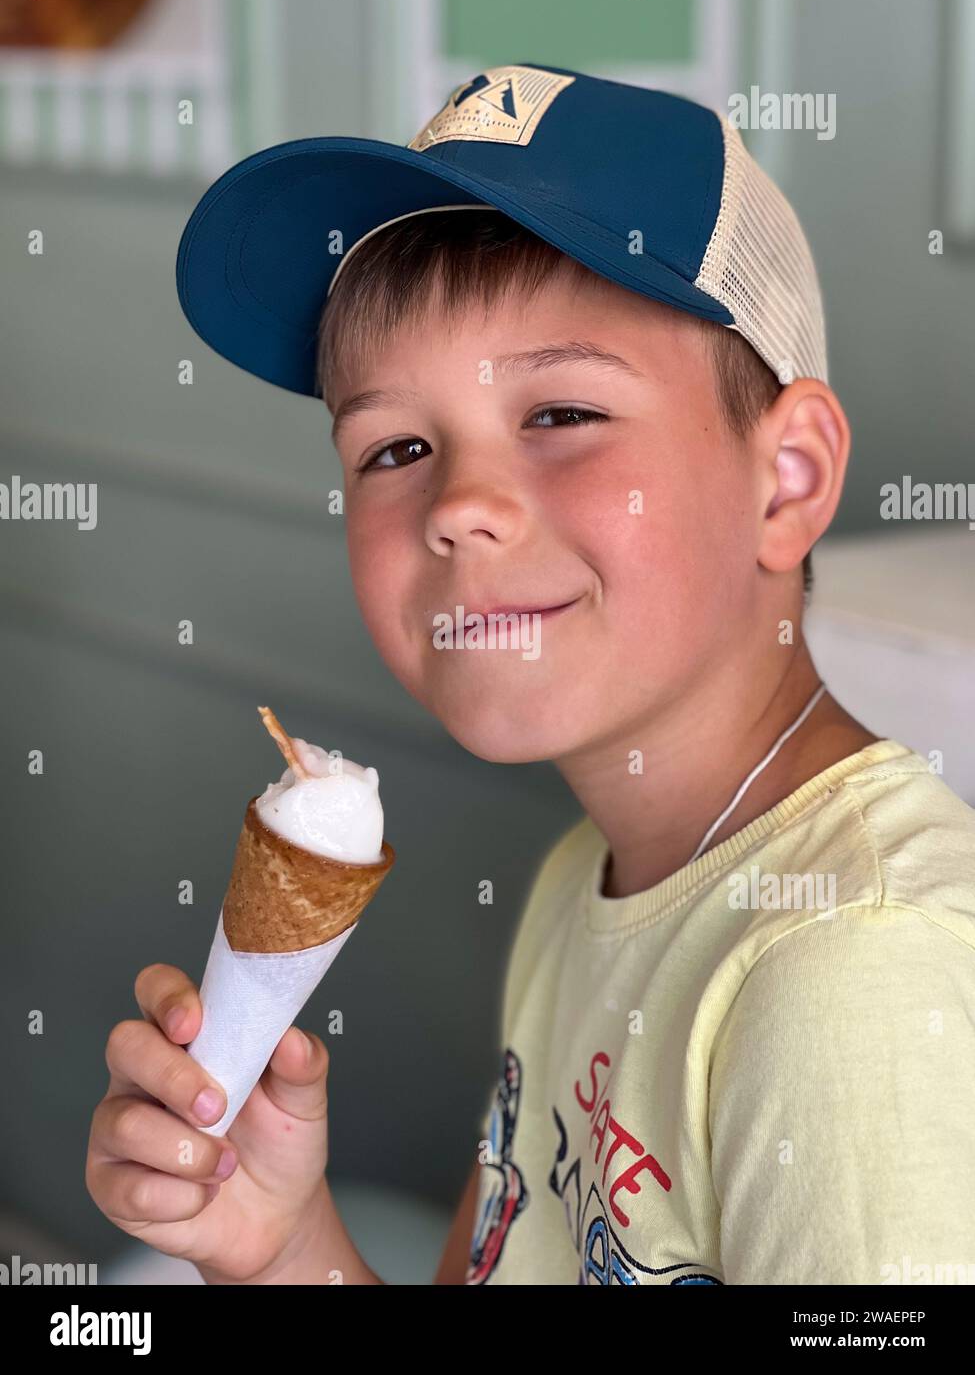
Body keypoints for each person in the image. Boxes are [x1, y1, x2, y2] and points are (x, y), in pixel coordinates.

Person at [87, 63, 975, 1285]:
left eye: (561, 413)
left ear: (787, 480)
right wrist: (281, 1241)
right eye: (396, 446)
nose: (458, 508)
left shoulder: (851, 977)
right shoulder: (584, 879)